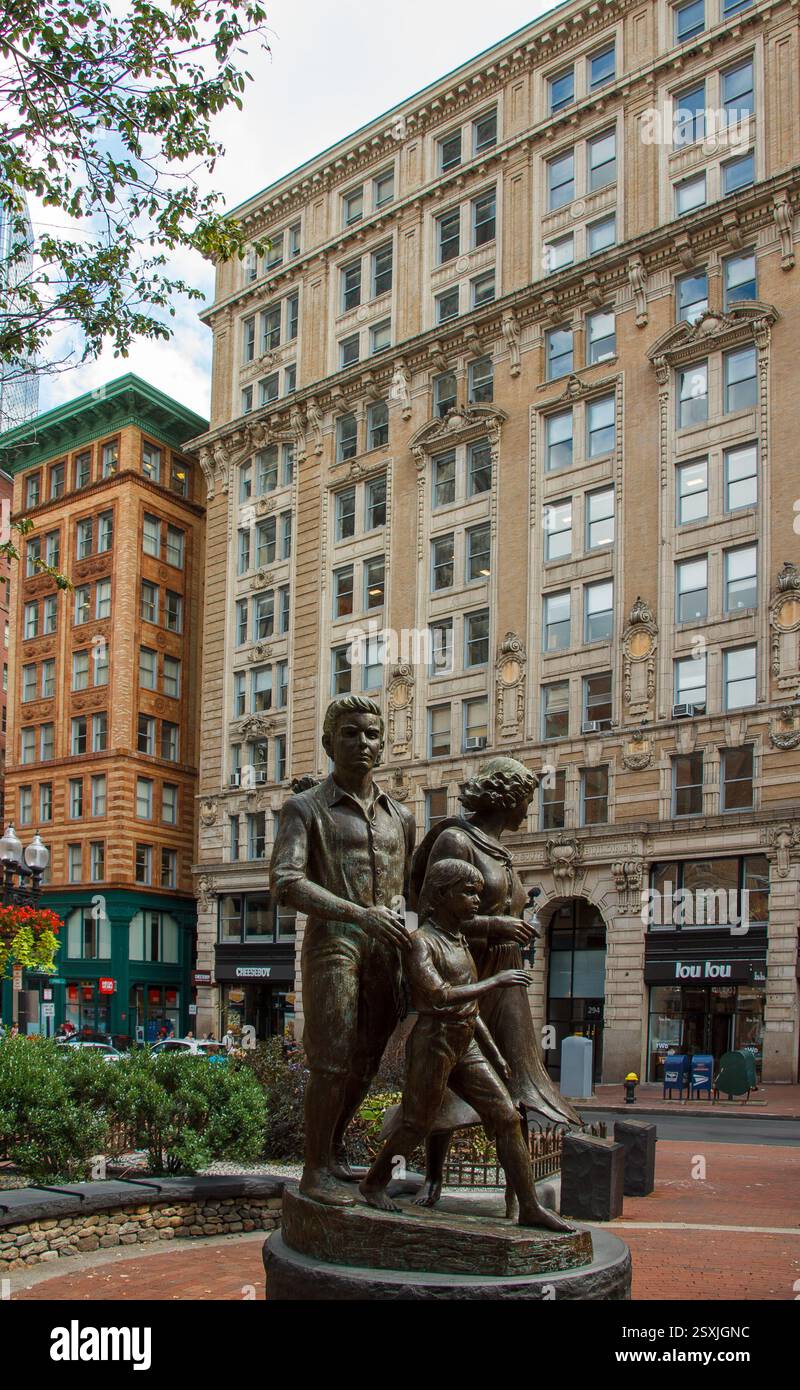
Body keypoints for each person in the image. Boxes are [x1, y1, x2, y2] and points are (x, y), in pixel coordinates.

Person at [359, 859, 572, 1232]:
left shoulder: (459, 940)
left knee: (506, 1116)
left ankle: (529, 1206)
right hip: (433, 1042)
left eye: (478, 891)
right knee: (417, 1123)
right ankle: (374, 1183)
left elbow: (470, 1011)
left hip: (465, 1041)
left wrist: (493, 1054)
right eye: (468, 892)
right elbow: (439, 997)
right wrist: (497, 981)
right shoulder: (420, 943)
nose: (477, 899)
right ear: (442, 895)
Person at [409, 756, 580, 1206]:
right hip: (466, 964)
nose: (529, 809)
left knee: (516, 1071)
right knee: (448, 1072)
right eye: (527, 799)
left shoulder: (500, 851)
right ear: (509, 799)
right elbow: (433, 916)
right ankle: (433, 1177)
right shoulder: (455, 839)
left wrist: (510, 931)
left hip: (505, 975)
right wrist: (498, 927)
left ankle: (516, 1193)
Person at [271, 695, 415, 1208]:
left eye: (372, 734)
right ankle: (313, 1171)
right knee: (331, 1060)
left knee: (367, 1062)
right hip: (334, 943)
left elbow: (414, 895)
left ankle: (332, 1154)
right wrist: (357, 913)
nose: (363, 743)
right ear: (330, 742)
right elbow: (286, 882)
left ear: (385, 745)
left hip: (388, 951)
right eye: (351, 733)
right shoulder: (304, 808)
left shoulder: (402, 816)